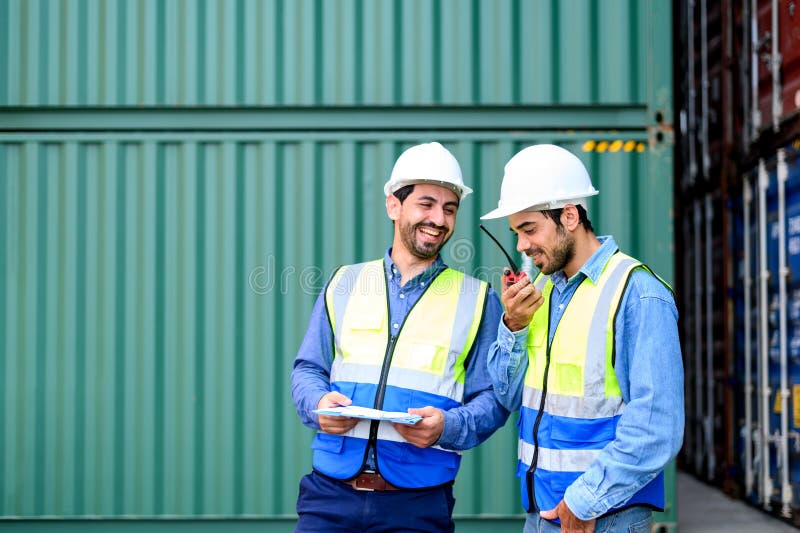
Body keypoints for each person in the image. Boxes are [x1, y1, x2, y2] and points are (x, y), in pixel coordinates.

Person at [291, 142, 510, 532]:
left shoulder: (478, 299)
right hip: (329, 495)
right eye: (426, 204)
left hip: (417, 503)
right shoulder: (346, 282)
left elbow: (495, 399)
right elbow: (308, 369)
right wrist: (318, 403)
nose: (439, 219)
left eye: (449, 208)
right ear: (394, 205)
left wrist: (448, 425)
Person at [481, 144, 684, 533]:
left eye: (529, 229)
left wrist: (585, 501)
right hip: (542, 514)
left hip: (602, 517)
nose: (521, 245)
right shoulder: (539, 292)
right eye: (516, 232)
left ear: (569, 216)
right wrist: (513, 327)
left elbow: (658, 426)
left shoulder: (637, 293)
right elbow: (506, 397)